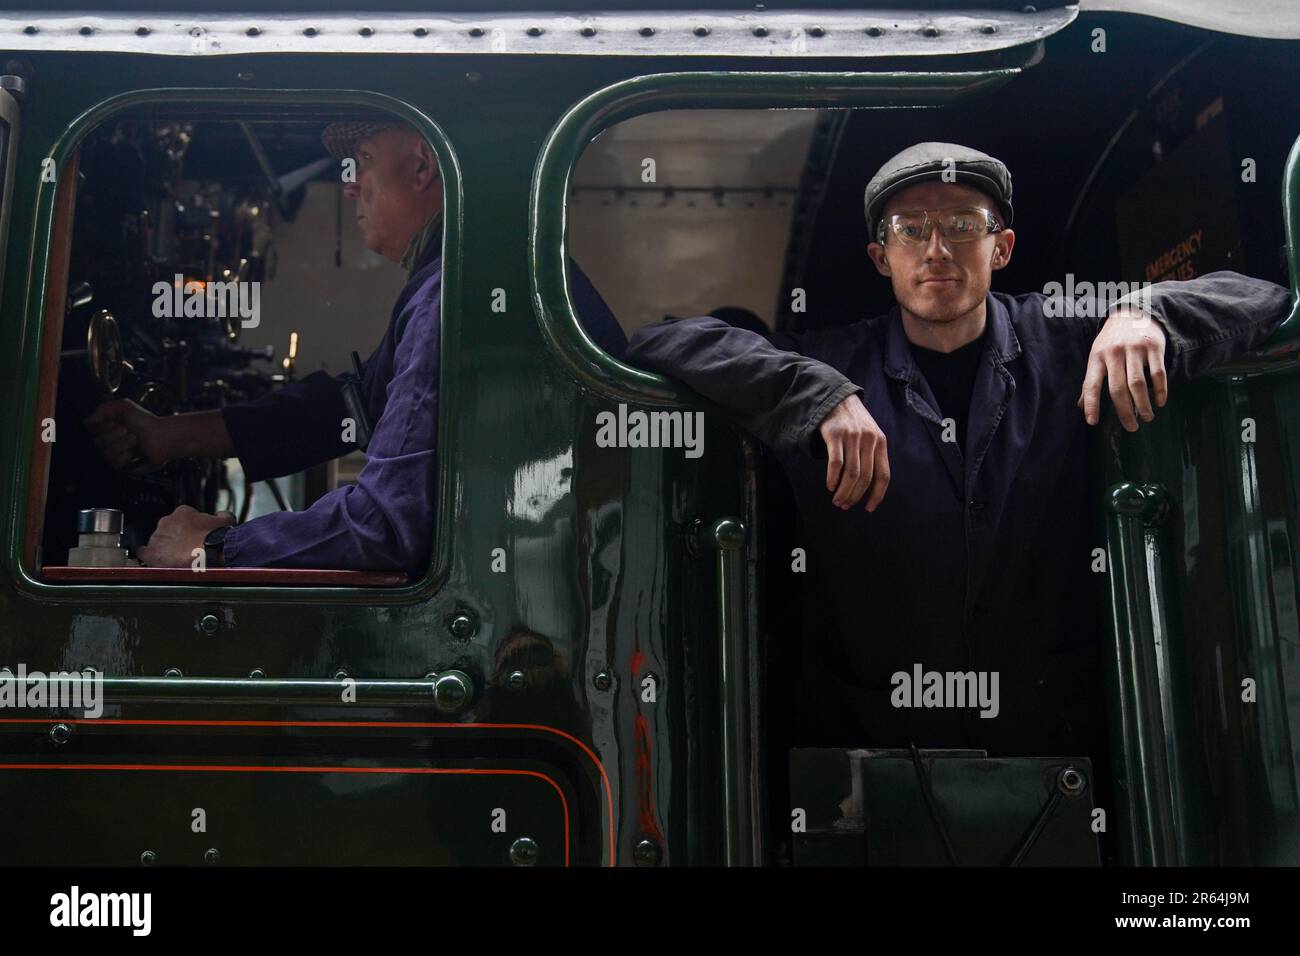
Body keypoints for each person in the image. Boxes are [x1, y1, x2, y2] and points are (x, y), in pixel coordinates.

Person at [626, 142, 1291, 758]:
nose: (937, 250)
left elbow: (1263, 299)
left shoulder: (1069, 336)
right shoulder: (827, 359)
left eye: (963, 227)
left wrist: (1147, 312)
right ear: (881, 257)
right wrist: (809, 394)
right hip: (866, 749)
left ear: (1000, 248)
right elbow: (661, 340)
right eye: (911, 230)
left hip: (1051, 749)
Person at [86, 120, 626, 574]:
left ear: (421, 166)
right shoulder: (473, 275)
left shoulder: (458, 296)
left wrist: (213, 549)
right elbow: (349, 408)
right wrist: (167, 434)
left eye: (363, 160)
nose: (350, 186)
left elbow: (384, 525)